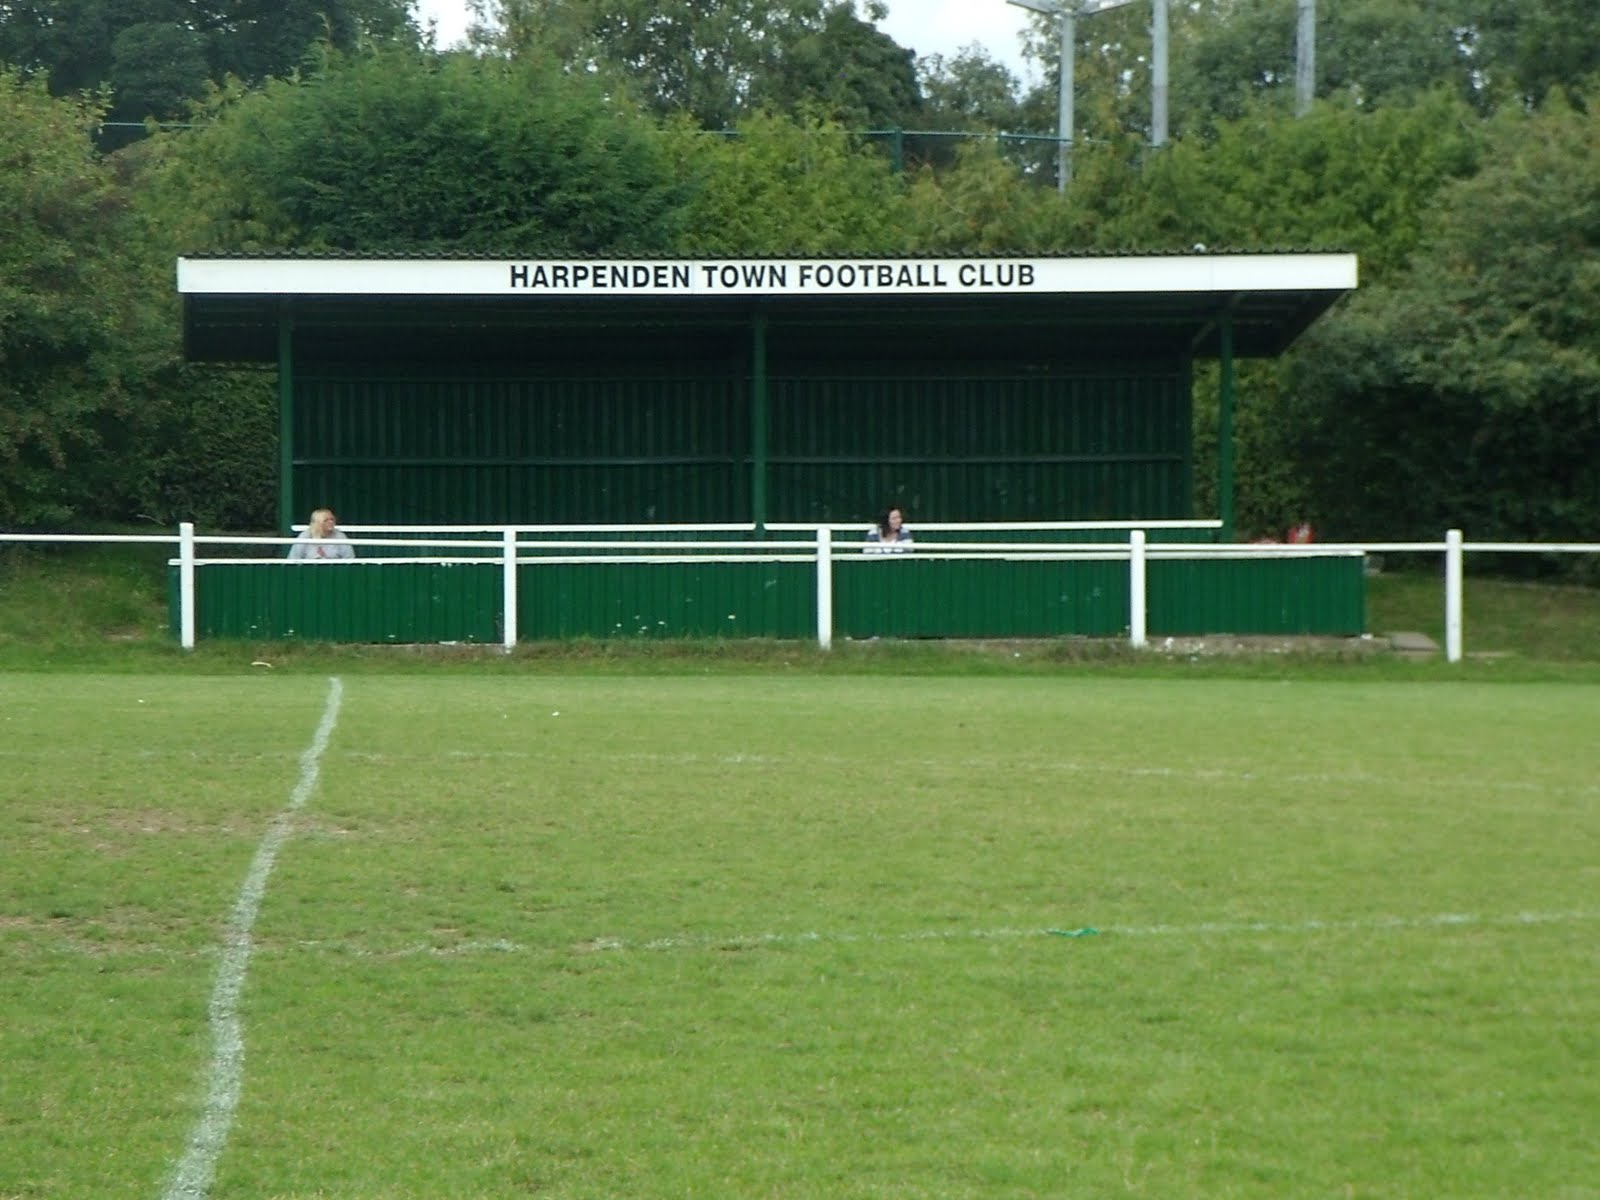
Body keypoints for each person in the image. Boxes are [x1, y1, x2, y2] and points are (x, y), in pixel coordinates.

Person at [287, 508, 355, 560]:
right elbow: (293, 558)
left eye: (332, 519)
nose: (331, 522)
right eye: (326, 520)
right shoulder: (305, 536)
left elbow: (350, 558)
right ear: (317, 523)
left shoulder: (339, 536)